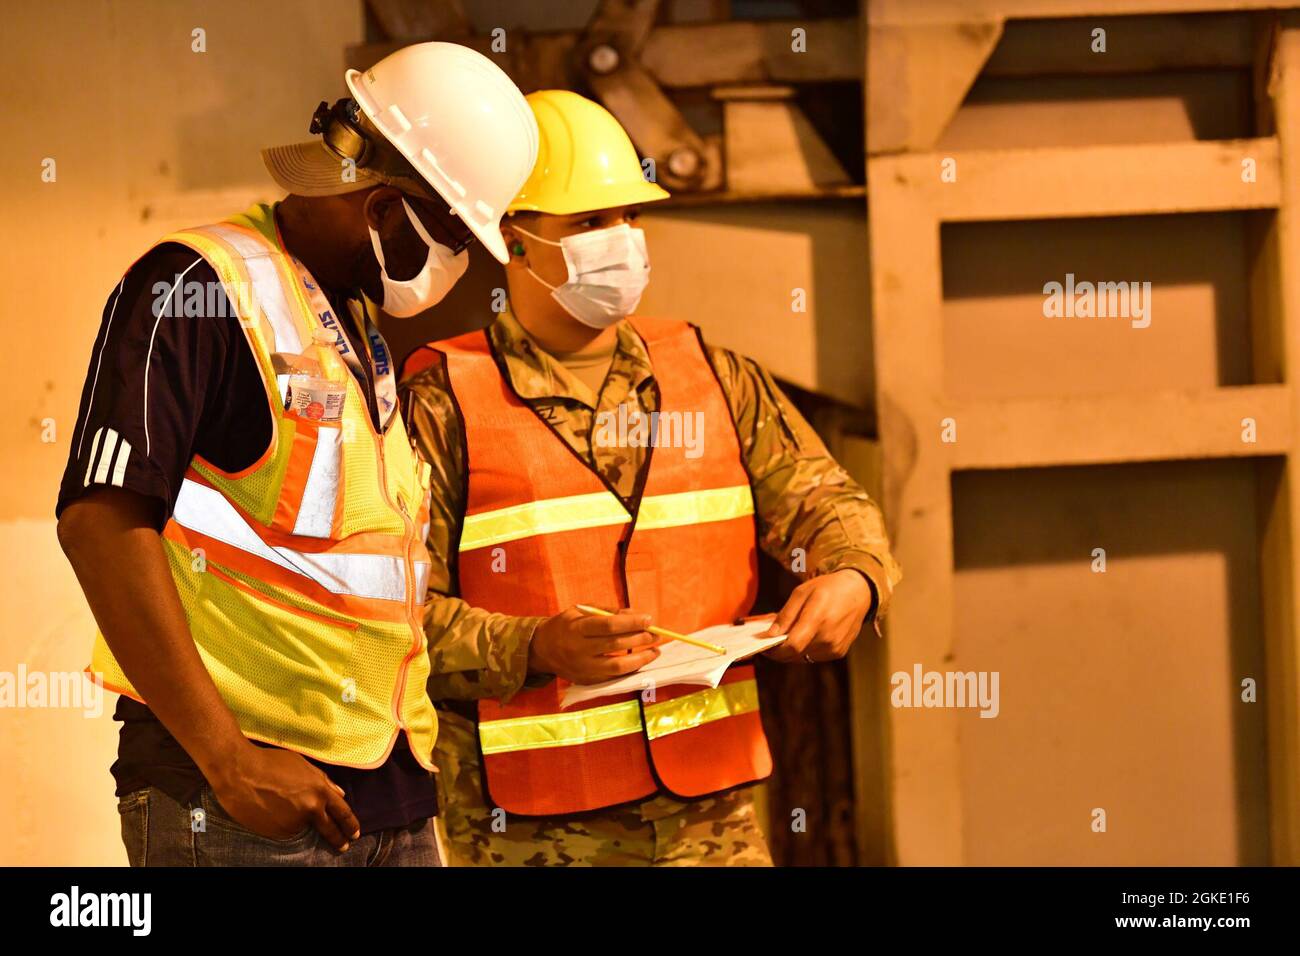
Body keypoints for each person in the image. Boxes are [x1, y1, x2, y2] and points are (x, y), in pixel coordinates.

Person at [55, 42, 538, 867]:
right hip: (238, 801)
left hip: (387, 792)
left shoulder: (354, 329)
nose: (456, 268)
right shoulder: (196, 287)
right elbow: (99, 522)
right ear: (386, 207)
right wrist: (229, 760)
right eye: (454, 234)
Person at [400, 90, 902, 866]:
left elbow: (827, 502)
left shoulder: (711, 374)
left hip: (714, 822)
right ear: (513, 240)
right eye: (591, 223)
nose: (623, 241)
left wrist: (855, 577)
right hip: (535, 836)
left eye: (631, 216)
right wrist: (534, 646)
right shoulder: (442, 405)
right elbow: (390, 622)